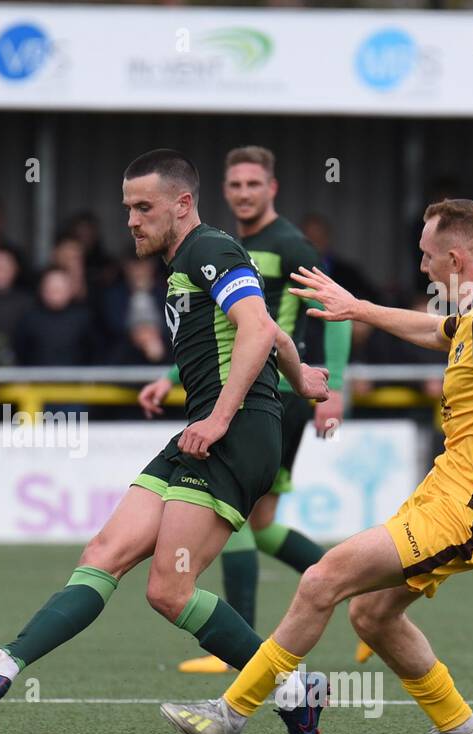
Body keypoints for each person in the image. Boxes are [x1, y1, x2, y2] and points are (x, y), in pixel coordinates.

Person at [0, 149, 330, 734]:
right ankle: (1, 664)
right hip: (205, 431)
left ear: (182, 205)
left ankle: (294, 688)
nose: (133, 221)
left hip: (236, 433)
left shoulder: (209, 248)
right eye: (128, 209)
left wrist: (221, 417)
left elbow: (253, 328)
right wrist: (300, 380)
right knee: (104, 553)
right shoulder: (181, 264)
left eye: (144, 208)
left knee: (169, 589)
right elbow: (269, 329)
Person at [161, 198, 473, 734]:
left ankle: (231, 713)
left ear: (454, 257)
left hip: (467, 507)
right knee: (371, 613)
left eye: (426, 257)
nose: (421, 267)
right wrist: (359, 309)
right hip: (448, 494)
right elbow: (439, 331)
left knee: (321, 580)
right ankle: (460, 728)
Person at [139, 145, 351, 673]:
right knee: (262, 524)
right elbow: (219, 328)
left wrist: (336, 386)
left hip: (272, 396)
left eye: (253, 184)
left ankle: (242, 644)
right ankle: (355, 589)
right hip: (251, 390)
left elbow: (335, 311)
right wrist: (170, 379)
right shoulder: (222, 245)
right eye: (234, 185)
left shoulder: (289, 244)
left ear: (271, 189)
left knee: (238, 521)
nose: (243, 193)